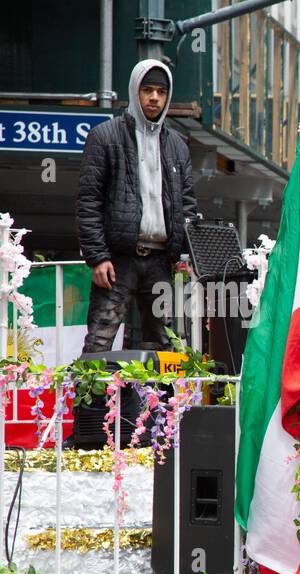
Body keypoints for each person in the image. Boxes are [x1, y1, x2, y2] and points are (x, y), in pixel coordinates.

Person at [76, 59, 197, 355]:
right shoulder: (104, 137)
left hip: (160, 262)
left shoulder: (178, 146)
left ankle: (162, 404)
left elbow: (188, 204)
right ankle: (92, 403)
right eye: (147, 90)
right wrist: (97, 257)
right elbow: (88, 201)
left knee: (165, 346)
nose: (155, 97)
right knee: (99, 342)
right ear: (135, 91)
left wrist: (183, 254)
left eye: (161, 91)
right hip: (116, 261)